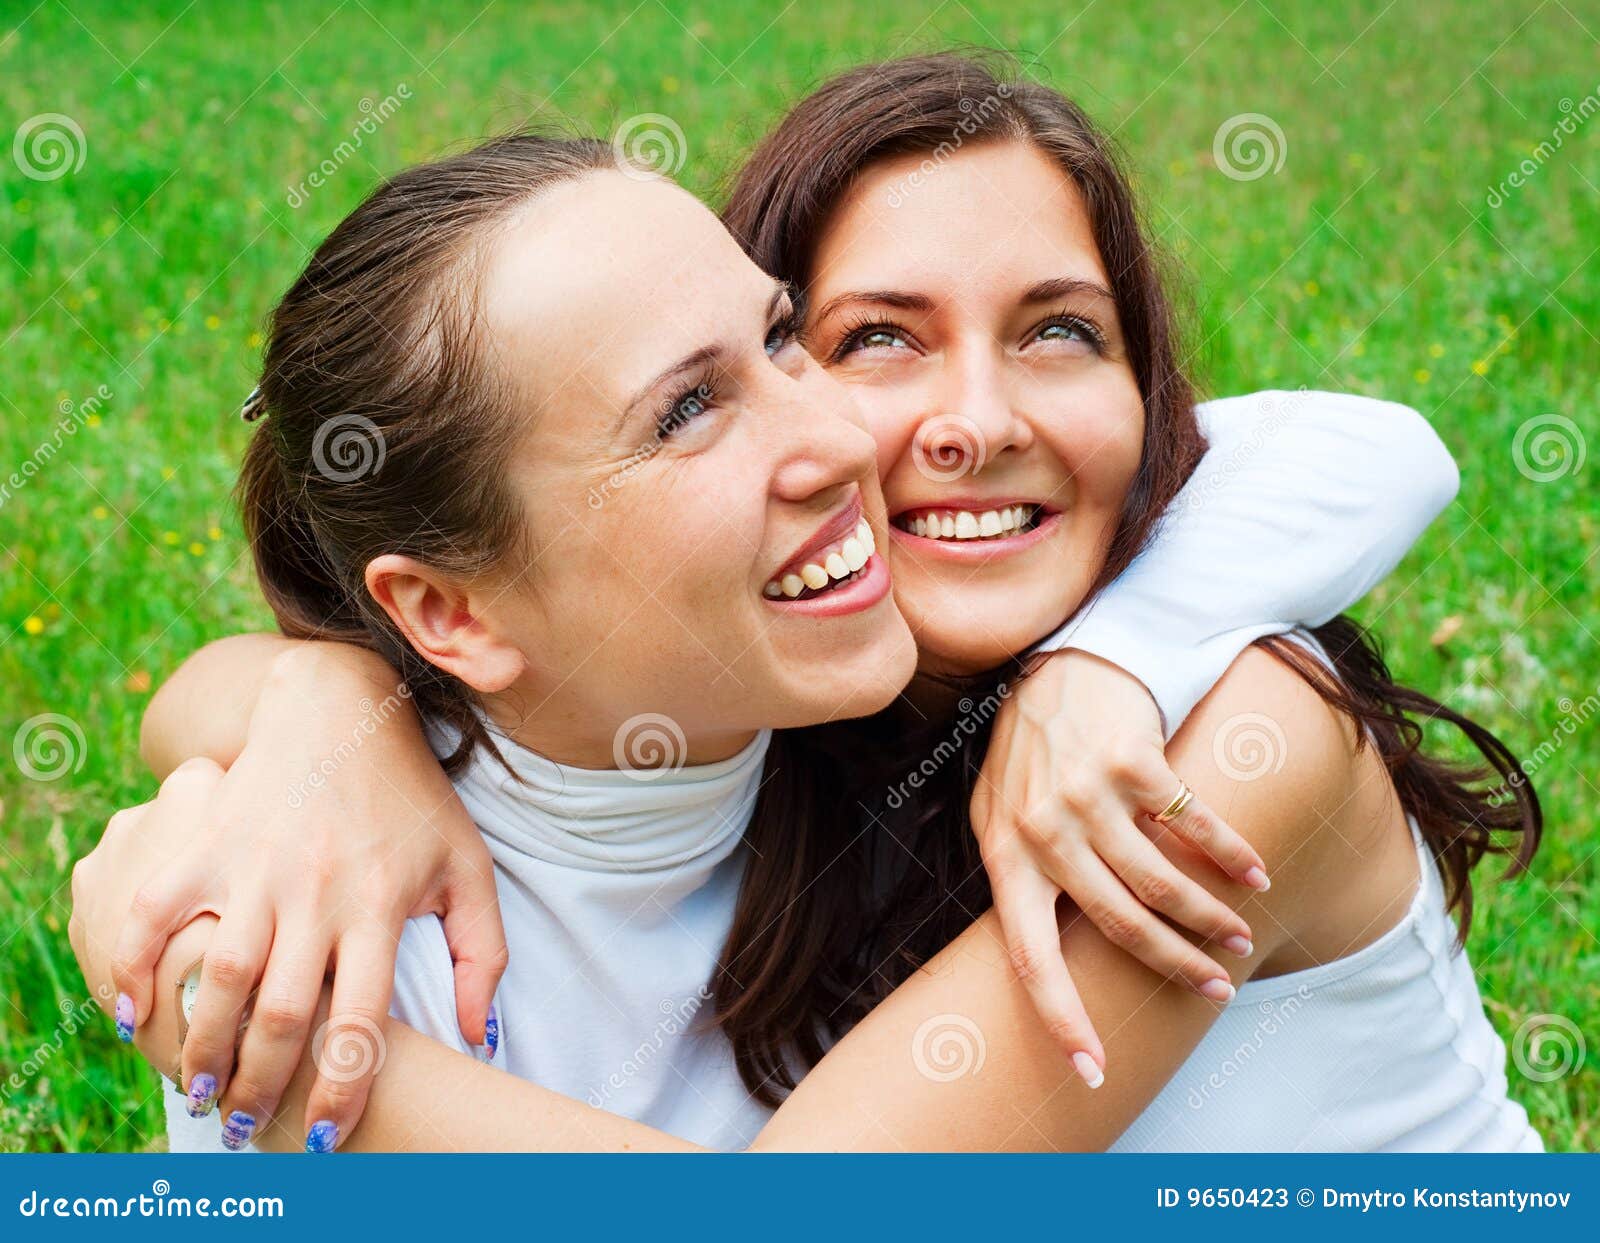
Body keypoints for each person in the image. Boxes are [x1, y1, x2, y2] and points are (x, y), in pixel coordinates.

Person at [72, 54, 1536, 1153]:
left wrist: (1112, 660)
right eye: (871, 339)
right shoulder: (798, 733)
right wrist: (312, 715)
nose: (862, 435)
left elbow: (1362, 440)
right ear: (447, 614)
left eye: (1063, 332)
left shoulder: (1214, 740)